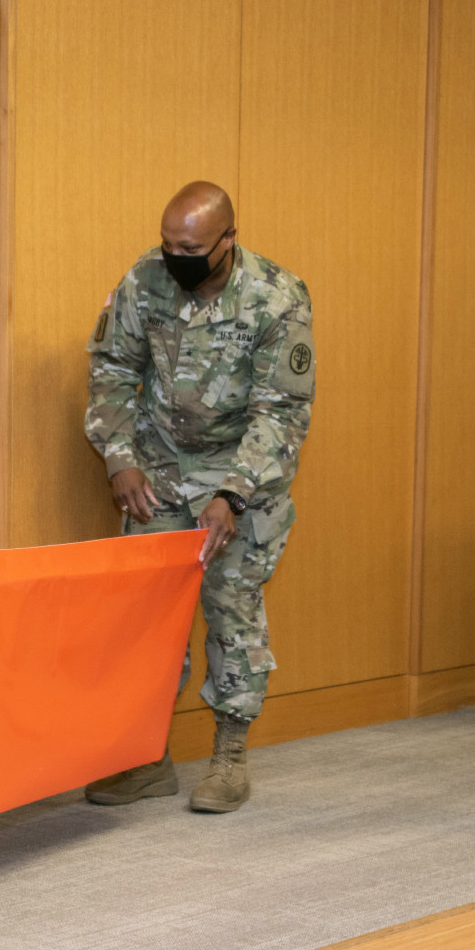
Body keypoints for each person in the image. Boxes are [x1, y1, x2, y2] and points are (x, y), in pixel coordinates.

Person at [81, 181, 313, 814]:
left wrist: (233, 494)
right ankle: (146, 759)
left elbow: (281, 412)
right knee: (145, 621)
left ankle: (229, 760)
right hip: (157, 475)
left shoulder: (276, 297)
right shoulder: (145, 279)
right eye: (168, 244)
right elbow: (112, 368)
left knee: (233, 613)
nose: (175, 257)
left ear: (228, 239)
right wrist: (120, 458)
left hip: (242, 479)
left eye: (191, 249)